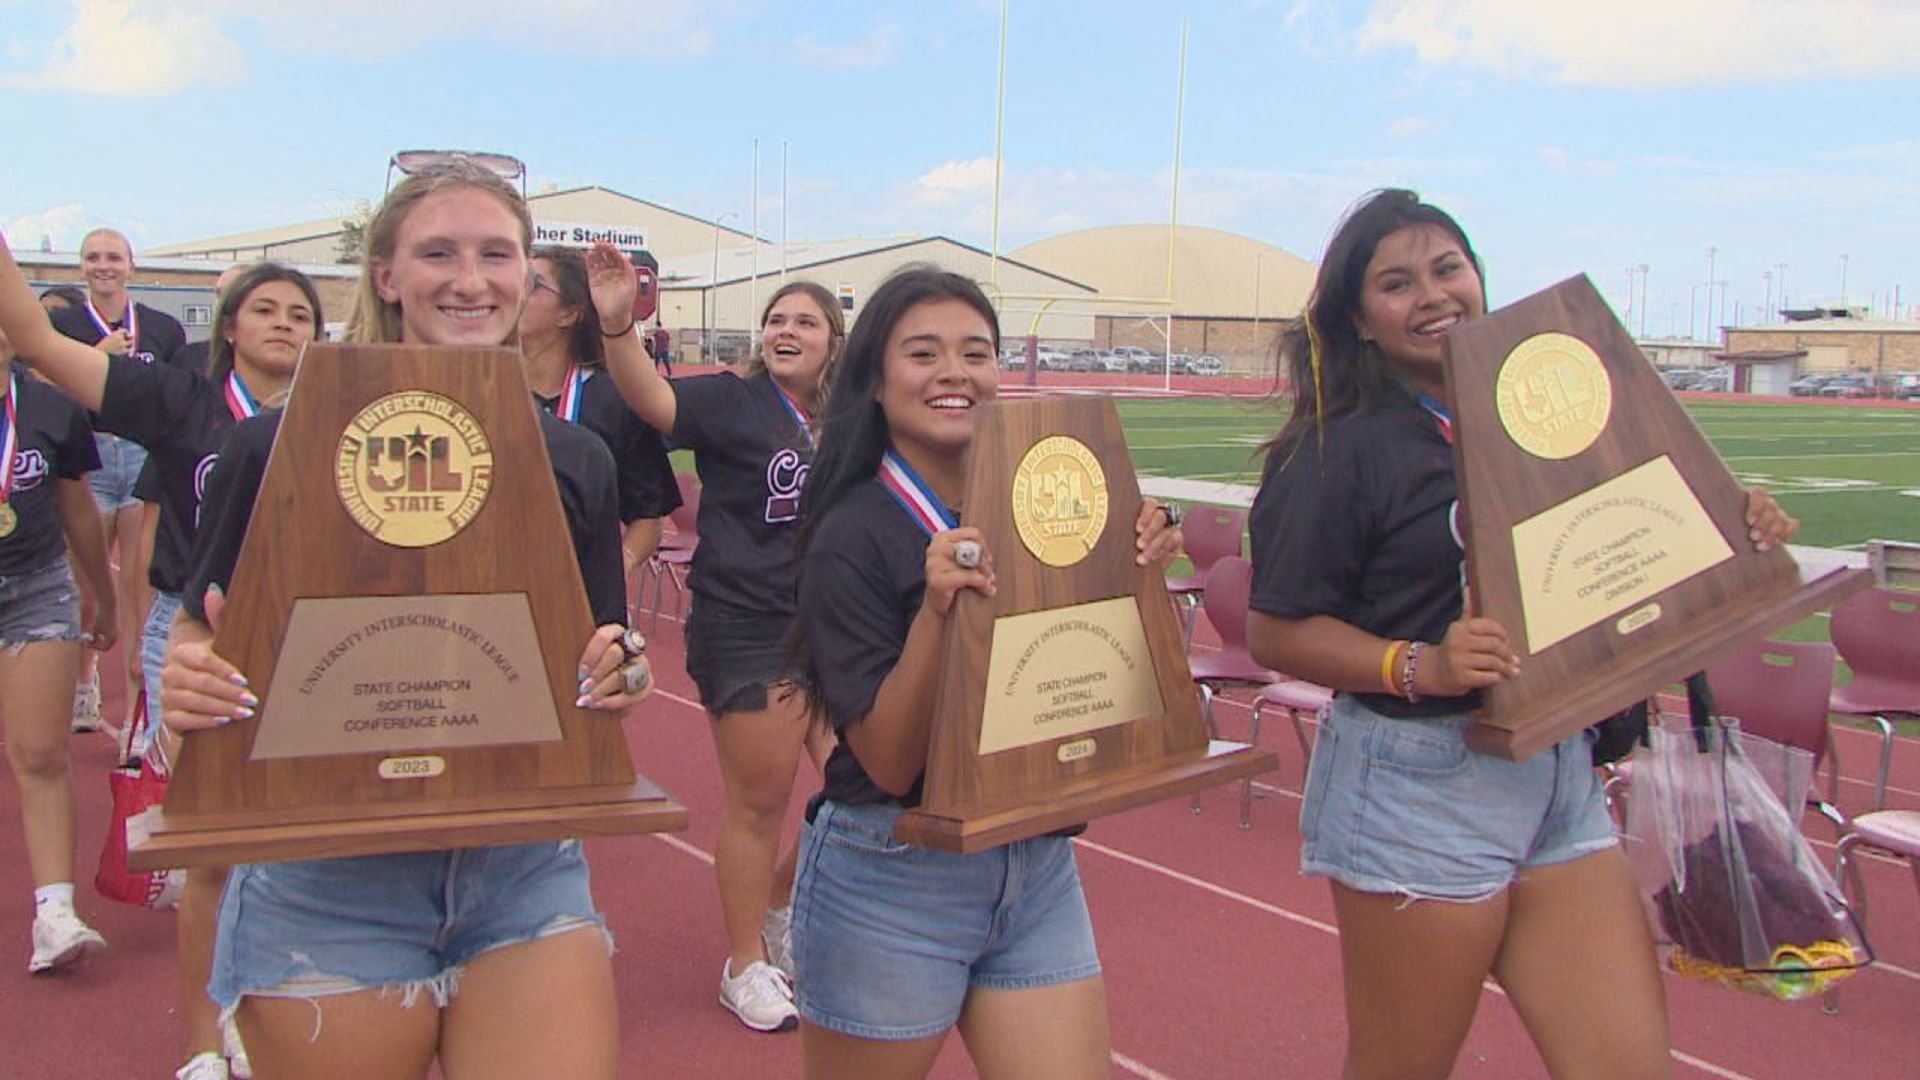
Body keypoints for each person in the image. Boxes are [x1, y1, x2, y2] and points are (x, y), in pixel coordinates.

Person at [1244, 188, 1798, 1079]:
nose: (1431, 295)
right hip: (1418, 782)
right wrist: (1417, 662)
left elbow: (1625, 551)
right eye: (1396, 283)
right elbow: (1273, 629)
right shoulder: (1335, 450)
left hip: (1556, 767)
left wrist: (1740, 533)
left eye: (1446, 268)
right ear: (1357, 320)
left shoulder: (1542, 416)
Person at [154, 156, 653, 1079]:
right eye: (438, 252)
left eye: (497, 254)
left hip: (524, 872)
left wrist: (622, 677)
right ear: (386, 275)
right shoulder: (272, 444)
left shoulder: (578, 459)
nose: (472, 279)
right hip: (327, 880)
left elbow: (597, 657)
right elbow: (199, 630)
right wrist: (187, 679)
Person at [788, 267, 1182, 1078]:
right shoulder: (852, 534)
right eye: (923, 353)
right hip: (891, 872)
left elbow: (1107, 692)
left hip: (1034, 862)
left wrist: (1137, 566)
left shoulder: (1046, 509)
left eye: (977, 352)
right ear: (874, 379)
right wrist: (939, 610)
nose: (955, 374)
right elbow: (892, 763)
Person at [0, 246, 326, 1080]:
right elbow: (37, 340)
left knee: (294, 854)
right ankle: (201, 1042)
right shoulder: (182, 400)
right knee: (217, 849)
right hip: (199, 644)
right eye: (266, 309)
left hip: (315, 650)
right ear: (227, 326)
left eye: (301, 313)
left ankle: (266, 1020)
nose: (284, 322)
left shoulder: (345, 412)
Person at [604, 278, 843, 1031]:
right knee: (762, 800)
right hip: (747, 624)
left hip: (833, 626)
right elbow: (651, 399)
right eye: (776, 318)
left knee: (866, 785)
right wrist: (619, 330)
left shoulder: (853, 416)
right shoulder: (730, 400)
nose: (787, 329)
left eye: (806, 321)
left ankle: (779, 901)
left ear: (834, 339)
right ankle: (745, 963)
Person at [0, 323, 117, 975]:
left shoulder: (48, 408)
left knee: (42, 753)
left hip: (37, 586)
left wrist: (100, 591)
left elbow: (79, 511)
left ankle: (55, 911)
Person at [49, 228, 187, 736]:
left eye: (113, 257)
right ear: (80, 266)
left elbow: (177, 394)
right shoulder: (62, 324)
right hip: (88, 459)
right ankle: (83, 684)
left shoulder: (162, 328)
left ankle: (135, 713)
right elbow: (38, 381)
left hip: (144, 458)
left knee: (140, 589)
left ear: (131, 266)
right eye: (92, 257)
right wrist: (101, 356)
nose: (102, 265)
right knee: (87, 585)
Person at [519, 246, 680, 607]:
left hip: (581, 598)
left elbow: (648, 518)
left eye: (531, 285)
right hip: (494, 588)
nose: (512, 292)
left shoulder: (615, 399)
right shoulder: (487, 390)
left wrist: (614, 567)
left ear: (570, 313)